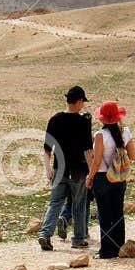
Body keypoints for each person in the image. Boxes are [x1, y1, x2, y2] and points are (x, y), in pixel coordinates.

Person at [38, 85, 93, 251]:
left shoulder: (54, 120)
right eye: (83, 102)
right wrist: (92, 172)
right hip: (78, 170)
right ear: (79, 101)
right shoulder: (83, 121)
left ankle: (45, 234)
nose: (83, 105)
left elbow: (47, 149)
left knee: (55, 203)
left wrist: (48, 170)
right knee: (79, 204)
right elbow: (87, 151)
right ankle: (78, 239)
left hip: (59, 169)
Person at [86, 99, 135, 259]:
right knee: (117, 213)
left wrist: (90, 177)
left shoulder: (100, 135)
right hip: (120, 177)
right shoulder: (125, 132)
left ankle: (107, 251)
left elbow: (97, 161)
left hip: (102, 178)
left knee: (105, 215)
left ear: (102, 118)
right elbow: (133, 156)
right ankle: (119, 247)